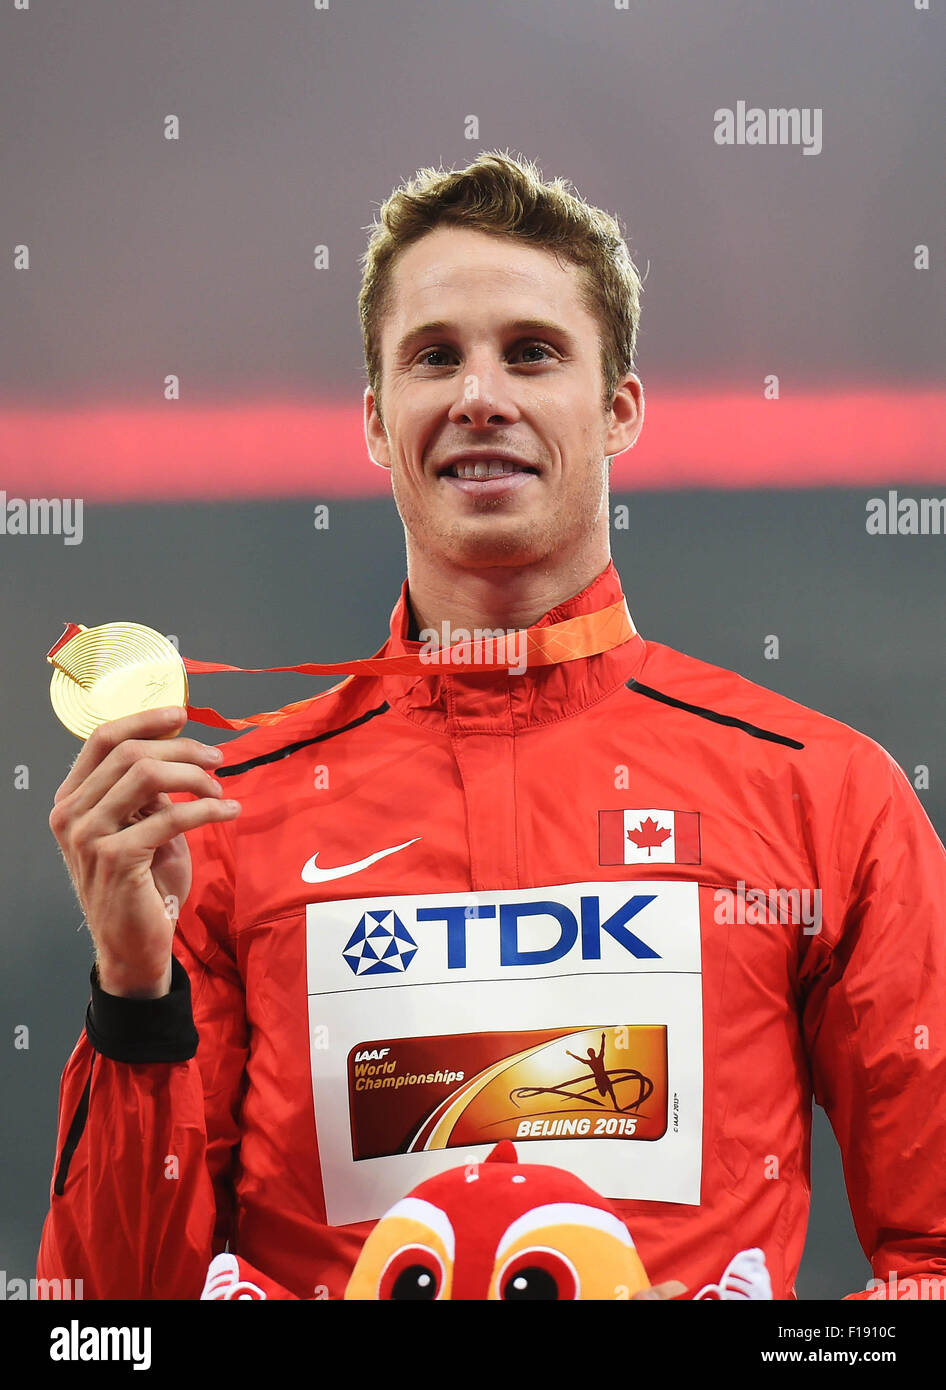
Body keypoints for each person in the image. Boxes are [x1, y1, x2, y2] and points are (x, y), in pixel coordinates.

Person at [38, 151, 946, 1301]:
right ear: (375, 420)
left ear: (619, 408)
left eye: (530, 350)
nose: (479, 394)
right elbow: (109, 1327)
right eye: (434, 358)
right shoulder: (224, 815)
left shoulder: (824, 796)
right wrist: (132, 993)